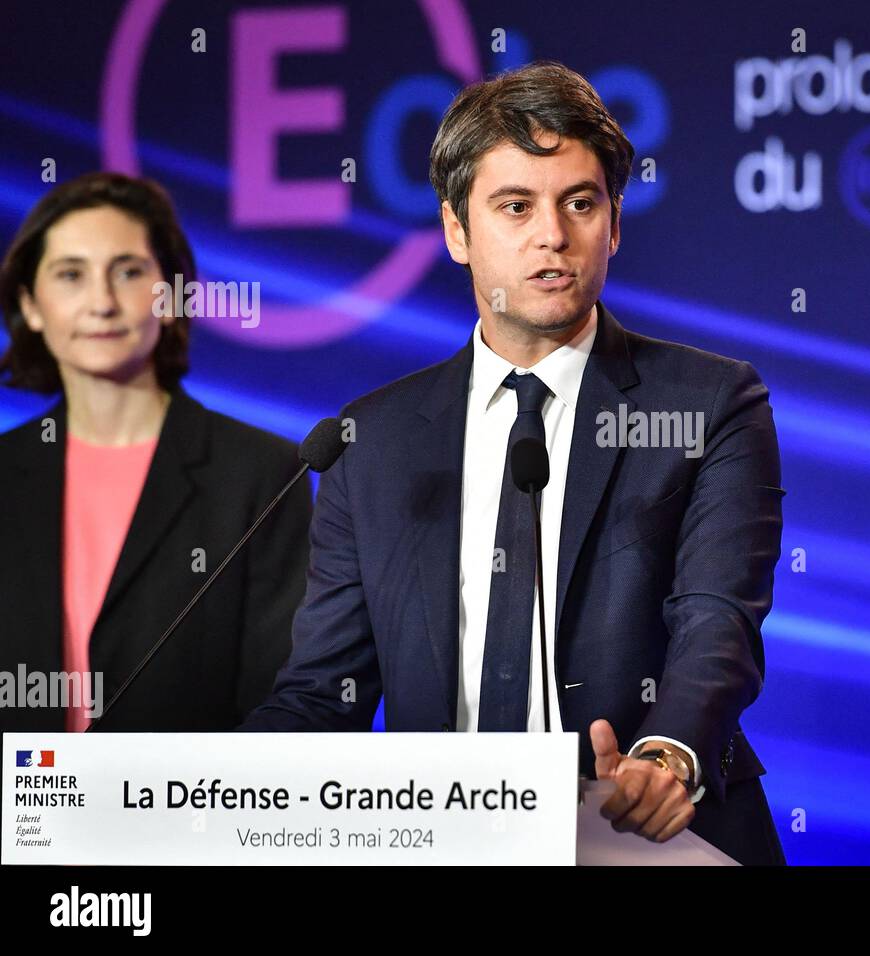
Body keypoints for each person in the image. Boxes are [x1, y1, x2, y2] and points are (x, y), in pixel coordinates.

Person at [242, 61, 787, 865]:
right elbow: (325, 692)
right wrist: (191, 794)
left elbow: (718, 620)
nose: (552, 236)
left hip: (652, 841)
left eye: (580, 202)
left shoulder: (710, 404)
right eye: (515, 206)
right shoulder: (374, 440)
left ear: (615, 224)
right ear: (457, 232)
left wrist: (667, 752)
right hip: (446, 847)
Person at [0, 172, 311, 733]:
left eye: (128, 272)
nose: (102, 302)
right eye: (71, 275)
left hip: (185, 810)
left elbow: (282, 701)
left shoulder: (262, 473)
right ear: (32, 305)